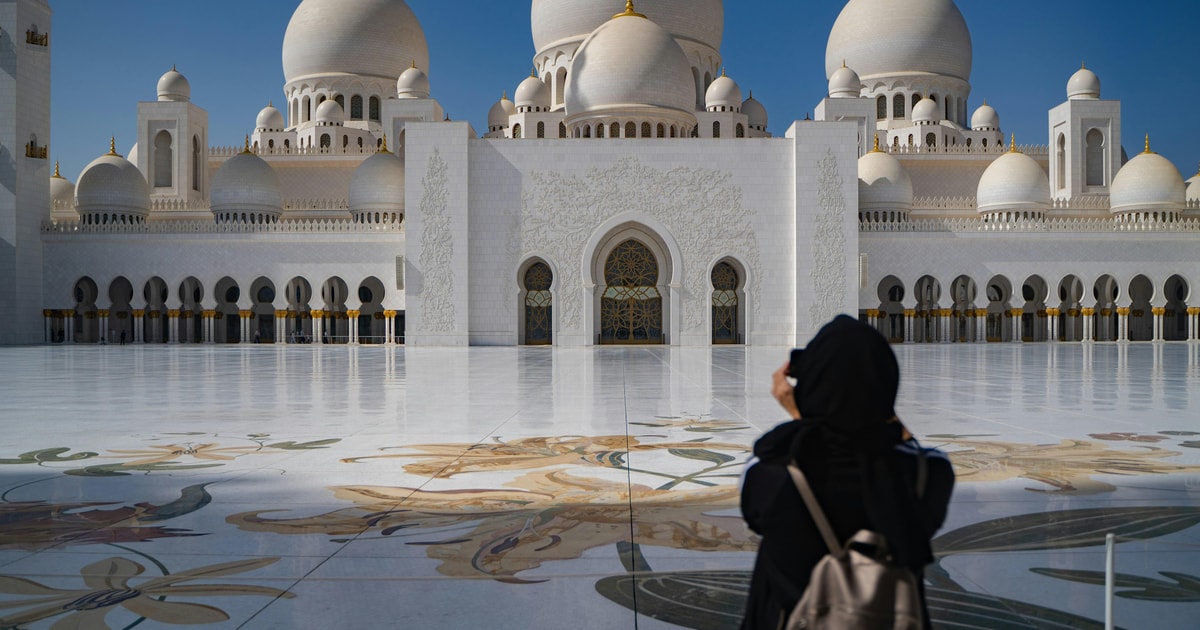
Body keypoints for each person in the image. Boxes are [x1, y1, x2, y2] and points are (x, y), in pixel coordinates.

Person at [740, 314, 955, 629]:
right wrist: (876, 406)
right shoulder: (928, 475)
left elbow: (754, 513)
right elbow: (909, 447)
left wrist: (805, 416)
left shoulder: (771, 474)